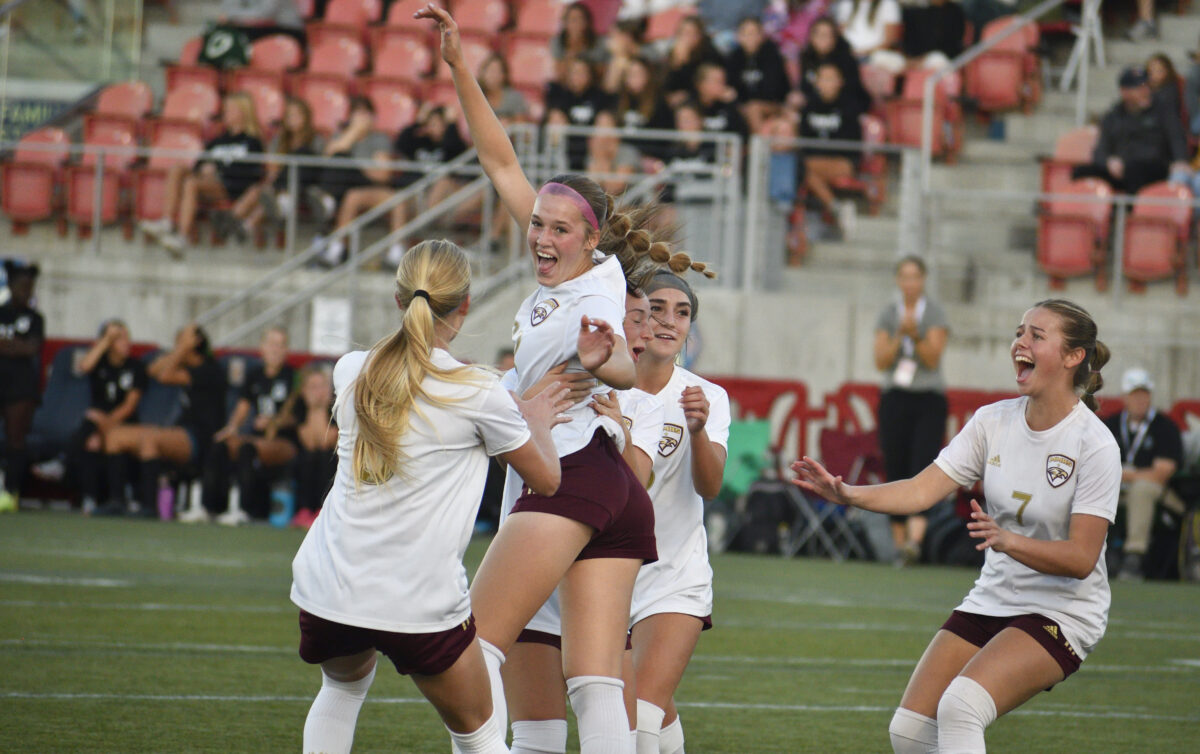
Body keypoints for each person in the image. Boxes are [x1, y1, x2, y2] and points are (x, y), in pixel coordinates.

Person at [417, 5, 714, 750]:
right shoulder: (575, 264)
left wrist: (599, 361)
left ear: (590, 240)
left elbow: (622, 365)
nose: (540, 235)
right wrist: (459, 66)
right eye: (538, 223)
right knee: (594, 684)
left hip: (569, 478)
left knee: (471, 650)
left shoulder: (595, 293)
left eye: (557, 228)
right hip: (606, 489)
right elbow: (501, 163)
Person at [794, 298, 1120, 753]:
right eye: (1019, 331)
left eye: (1036, 336)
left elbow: (1082, 559)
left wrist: (1009, 541)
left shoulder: (1095, 444)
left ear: (1073, 357)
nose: (1019, 343)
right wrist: (849, 494)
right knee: (909, 732)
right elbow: (921, 490)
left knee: (961, 707)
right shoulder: (992, 421)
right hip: (994, 596)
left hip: (1062, 612)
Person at [290, 238, 569, 754]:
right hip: (418, 600)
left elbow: (422, 385)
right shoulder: (477, 391)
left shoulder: (351, 369)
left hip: (329, 585)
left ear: (400, 300)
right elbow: (548, 481)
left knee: (341, 689)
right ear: (465, 305)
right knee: (480, 734)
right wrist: (537, 422)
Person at [501, 284, 665, 754]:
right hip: (531, 571)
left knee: (608, 703)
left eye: (651, 318)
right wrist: (529, 405)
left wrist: (620, 429)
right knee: (536, 736)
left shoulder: (642, 404)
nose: (648, 329)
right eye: (636, 316)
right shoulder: (524, 380)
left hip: (597, 576)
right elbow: (500, 458)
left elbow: (636, 489)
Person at [630, 270, 730, 754]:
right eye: (656, 308)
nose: (669, 321)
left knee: (639, 719)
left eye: (682, 312)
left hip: (674, 577)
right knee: (644, 717)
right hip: (601, 578)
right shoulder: (599, 386)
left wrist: (697, 431)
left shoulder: (707, 397)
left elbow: (709, 486)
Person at [321, 104, 467, 268]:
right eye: (430, 123)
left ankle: (397, 251)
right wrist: (418, 122)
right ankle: (337, 248)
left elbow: (456, 150)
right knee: (354, 195)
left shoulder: (451, 144)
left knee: (419, 192)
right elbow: (403, 142)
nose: (434, 127)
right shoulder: (419, 141)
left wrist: (452, 126)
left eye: (439, 123)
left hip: (431, 198)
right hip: (410, 192)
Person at [102, 324, 227, 516]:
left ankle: (149, 506)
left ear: (195, 343)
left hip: (201, 438)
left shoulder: (209, 369)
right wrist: (180, 350)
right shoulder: (185, 363)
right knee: (116, 436)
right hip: (181, 431)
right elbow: (152, 371)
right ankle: (116, 501)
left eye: (181, 341)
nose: (176, 347)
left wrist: (183, 349)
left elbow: (165, 376)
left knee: (150, 439)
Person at [873, 256, 949, 566]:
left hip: (928, 397)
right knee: (896, 466)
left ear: (923, 280)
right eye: (904, 277)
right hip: (895, 397)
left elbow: (932, 358)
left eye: (915, 277)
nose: (910, 284)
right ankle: (898, 544)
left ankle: (915, 542)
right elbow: (880, 360)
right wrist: (900, 334)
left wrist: (916, 334)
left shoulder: (934, 313)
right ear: (897, 280)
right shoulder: (888, 314)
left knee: (923, 466)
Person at [141, 93, 266, 256]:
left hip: (232, 185)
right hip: (209, 182)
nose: (225, 113)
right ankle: (167, 221)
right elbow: (199, 163)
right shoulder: (219, 140)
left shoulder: (253, 142)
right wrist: (205, 168)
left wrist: (218, 169)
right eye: (225, 109)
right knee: (177, 169)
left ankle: (182, 237)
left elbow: (252, 172)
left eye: (230, 109)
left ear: (243, 112)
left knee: (192, 183)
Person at [198, 326, 297, 524]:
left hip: (283, 440)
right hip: (257, 437)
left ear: (286, 350)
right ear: (262, 348)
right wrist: (232, 427)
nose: (276, 349)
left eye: (281, 345)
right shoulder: (254, 375)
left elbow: (296, 415)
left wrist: (274, 422)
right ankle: (210, 508)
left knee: (247, 449)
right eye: (272, 344)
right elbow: (242, 408)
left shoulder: (293, 377)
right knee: (220, 445)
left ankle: (245, 510)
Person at [1102, 368, 1183, 581]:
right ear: (1124, 397)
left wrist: (1125, 474)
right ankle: (1097, 549)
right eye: (1135, 394)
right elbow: (1097, 467)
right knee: (1095, 488)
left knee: (1142, 490)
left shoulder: (1165, 427)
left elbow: (1161, 473)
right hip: (1117, 489)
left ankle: (1134, 555)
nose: (1140, 399)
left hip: (1160, 493)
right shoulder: (1110, 424)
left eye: (1144, 394)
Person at [1071, 66, 1188, 195]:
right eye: (1139, 88)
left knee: (1135, 170)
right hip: (1120, 168)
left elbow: (1177, 139)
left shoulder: (1163, 111)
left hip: (1153, 167)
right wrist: (1108, 162)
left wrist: (1180, 161)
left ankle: (1136, 213)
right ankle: (1093, 212)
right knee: (1081, 172)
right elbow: (1100, 150)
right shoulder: (1113, 116)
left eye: (1146, 85)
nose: (1145, 91)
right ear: (1124, 92)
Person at [74, 320, 147, 516]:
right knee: (83, 440)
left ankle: (121, 497)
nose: (125, 342)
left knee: (111, 440)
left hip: (122, 421)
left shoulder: (136, 367)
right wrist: (105, 340)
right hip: (96, 420)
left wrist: (104, 426)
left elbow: (129, 406)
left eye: (126, 337)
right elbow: (84, 366)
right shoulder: (99, 364)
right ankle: (88, 496)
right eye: (118, 338)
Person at [310, 97, 394, 265]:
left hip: (365, 182)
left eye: (365, 113)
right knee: (340, 159)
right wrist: (354, 133)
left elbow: (383, 174)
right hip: (344, 188)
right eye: (356, 113)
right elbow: (326, 158)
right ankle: (329, 204)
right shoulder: (343, 136)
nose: (360, 118)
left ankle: (328, 203)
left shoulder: (379, 139)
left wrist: (357, 166)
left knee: (344, 163)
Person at [798, 62, 867, 236]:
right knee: (804, 169)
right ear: (817, 83)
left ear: (839, 82)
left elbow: (853, 144)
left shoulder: (849, 107)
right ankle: (835, 207)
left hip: (843, 162)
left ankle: (834, 208)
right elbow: (803, 138)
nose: (827, 83)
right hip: (813, 162)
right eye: (823, 79)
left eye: (831, 79)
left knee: (802, 168)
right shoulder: (808, 107)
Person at [0, 261, 44, 514]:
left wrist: (7, 344)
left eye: (30, 287)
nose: (26, 292)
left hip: (21, 387)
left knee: (16, 439)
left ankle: (11, 491)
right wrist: (16, 345)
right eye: (22, 287)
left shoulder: (35, 318)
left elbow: (31, 348)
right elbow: (22, 346)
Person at [278, 365, 337, 529]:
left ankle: (321, 509)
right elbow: (309, 443)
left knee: (325, 457)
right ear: (304, 391)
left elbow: (326, 442)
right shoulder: (300, 409)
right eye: (313, 387)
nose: (319, 392)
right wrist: (313, 409)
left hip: (330, 458)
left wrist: (322, 409)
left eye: (323, 386)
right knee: (309, 458)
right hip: (304, 458)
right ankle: (304, 509)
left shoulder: (335, 408)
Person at [256, 96, 326, 234]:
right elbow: (272, 167)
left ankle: (280, 206)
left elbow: (320, 167)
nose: (292, 118)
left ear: (306, 117)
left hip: (307, 185)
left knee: (302, 155)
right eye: (289, 115)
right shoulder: (279, 140)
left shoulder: (316, 140)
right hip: (283, 184)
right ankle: (247, 225)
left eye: (296, 114)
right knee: (258, 191)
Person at [546, 55, 614, 171]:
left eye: (582, 72)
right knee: (556, 117)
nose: (578, 76)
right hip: (567, 145)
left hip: (592, 148)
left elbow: (605, 121)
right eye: (575, 72)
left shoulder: (599, 96)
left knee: (605, 120)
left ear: (590, 75)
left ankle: (594, 179)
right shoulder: (560, 94)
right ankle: (555, 164)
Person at [725, 16, 791, 134]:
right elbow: (731, 86)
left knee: (753, 109)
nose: (749, 37)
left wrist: (746, 102)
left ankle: (759, 148)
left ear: (761, 35)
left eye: (753, 33)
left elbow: (773, 89)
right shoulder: (734, 57)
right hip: (743, 105)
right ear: (738, 36)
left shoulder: (772, 54)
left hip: (774, 104)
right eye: (745, 33)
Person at [794, 17, 871, 115]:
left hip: (846, 108)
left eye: (826, 35)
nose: (822, 39)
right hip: (814, 107)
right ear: (811, 37)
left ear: (834, 38)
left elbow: (851, 92)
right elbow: (805, 87)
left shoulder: (846, 59)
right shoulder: (806, 58)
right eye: (818, 34)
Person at [614, 56, 675, 160]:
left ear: (648, 76)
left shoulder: (659, 103)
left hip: (648, 157)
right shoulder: (618, 101)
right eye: (630, 74)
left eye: (638, 74)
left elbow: (662, 138)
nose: (634, 78)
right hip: (621, 155)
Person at [663, 15, 725, 108]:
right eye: (683, 33)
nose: (687, 37)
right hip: (682, 102)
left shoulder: (710, 53)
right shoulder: (674, 53)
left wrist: (688, 95)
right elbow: (668, 85)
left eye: (691, 33)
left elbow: (705, 82)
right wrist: (677, 63)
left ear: (700, 35)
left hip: (704, 99)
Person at [833, 0, 904, 72]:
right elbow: (840, 35)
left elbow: (890, 39)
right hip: (849, 54)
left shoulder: (888, 4)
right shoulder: (846, 4)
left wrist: (865, 52)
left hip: (876, 55)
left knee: (896, 63)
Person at [585, 110, 642, 196]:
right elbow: (590, 188)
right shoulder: (594, 153)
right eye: (598, 125)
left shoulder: (627, 152)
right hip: (607, 204)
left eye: (607, 125)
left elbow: (615, 189)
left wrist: (602, 158)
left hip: (634, 205)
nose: (602, 131)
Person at [901, 0, 965, 70]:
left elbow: (954, 42)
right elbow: (911, 39)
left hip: (944, 57)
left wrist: (925, 57)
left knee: (937, 59)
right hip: (917, 58)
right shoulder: (918, 10)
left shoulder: (955, 11)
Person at [694, 63, 749, 141]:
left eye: (724, 81)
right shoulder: (691, 106)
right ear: (702, 84)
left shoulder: (728, 106)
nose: (723, 85)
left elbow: (743, 136)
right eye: (717, 81)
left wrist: (732, 105)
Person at [551, 2, 610, 73]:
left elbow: (603, 73)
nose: (577, 24)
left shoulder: (601, 42)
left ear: (588, 22)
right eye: (573, 20)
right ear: (565, 23)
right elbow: (559, 75)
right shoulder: (557, 41)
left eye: (581, 19)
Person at [478, 54, 531, 126]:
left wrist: (509, 123)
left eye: (496, 71)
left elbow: (521, 124)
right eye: (489, 71)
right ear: (483, 73)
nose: (492, 75)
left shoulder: (514, 97)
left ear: (504, 75)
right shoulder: (477, 97)